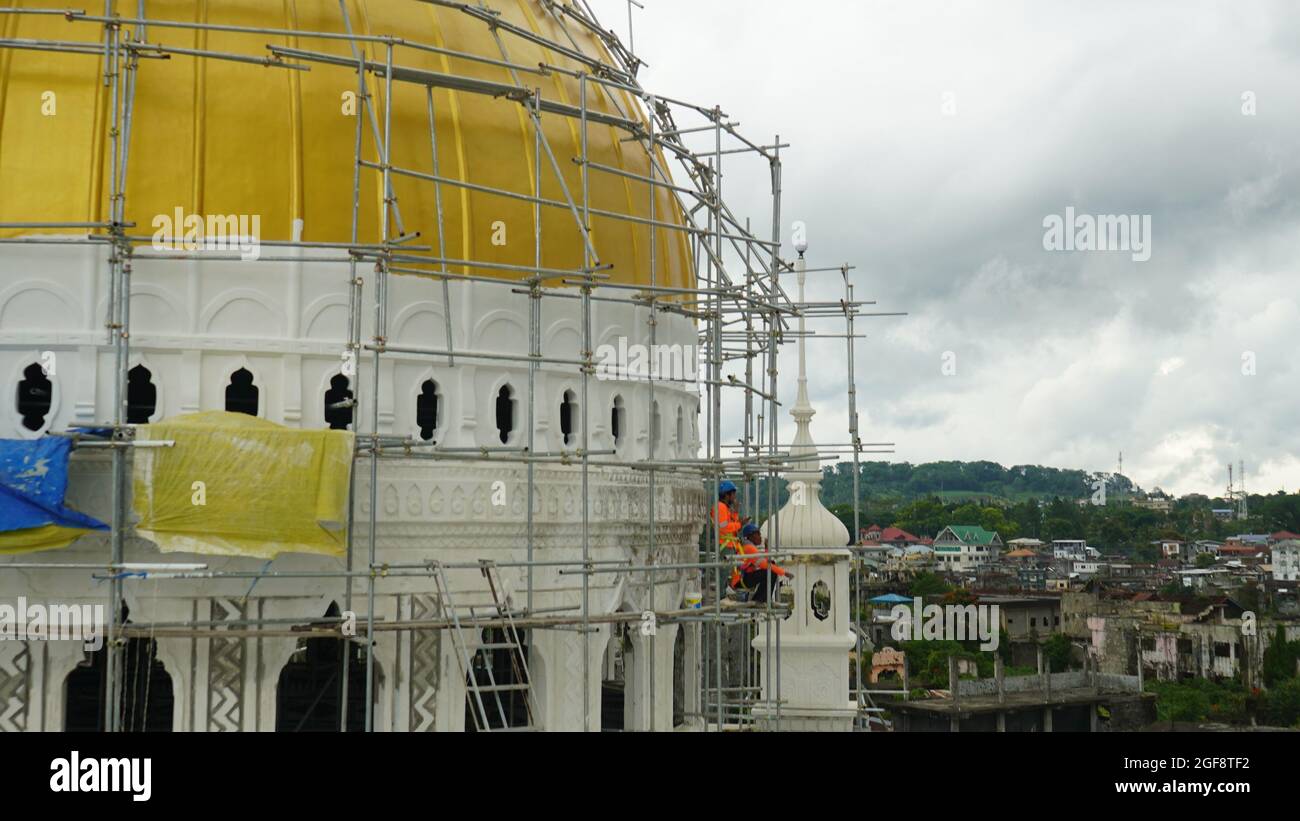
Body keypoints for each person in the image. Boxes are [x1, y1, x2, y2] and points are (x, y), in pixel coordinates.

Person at [730, 523, 792, 604]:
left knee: (771, 566)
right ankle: (759, 600)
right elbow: (764, 564)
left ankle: (763, 599)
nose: (760, 537)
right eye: (758, 534)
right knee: (771, 572)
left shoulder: (748, 546)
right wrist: (784, 572)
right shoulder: (749, 548)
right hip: (740, 580)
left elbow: (763, 562)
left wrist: (766, 549)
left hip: (744, 577)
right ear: (751, 536)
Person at [713, 480, 747, 554]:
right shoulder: (720, 507)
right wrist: (739, 524)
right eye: (733, 494)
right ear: (727, 495)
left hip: (729, 545)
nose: (735, 497)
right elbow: (723, 527)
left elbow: (732, 526)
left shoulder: (724, 507)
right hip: (725, 545)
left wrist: (735, 512)